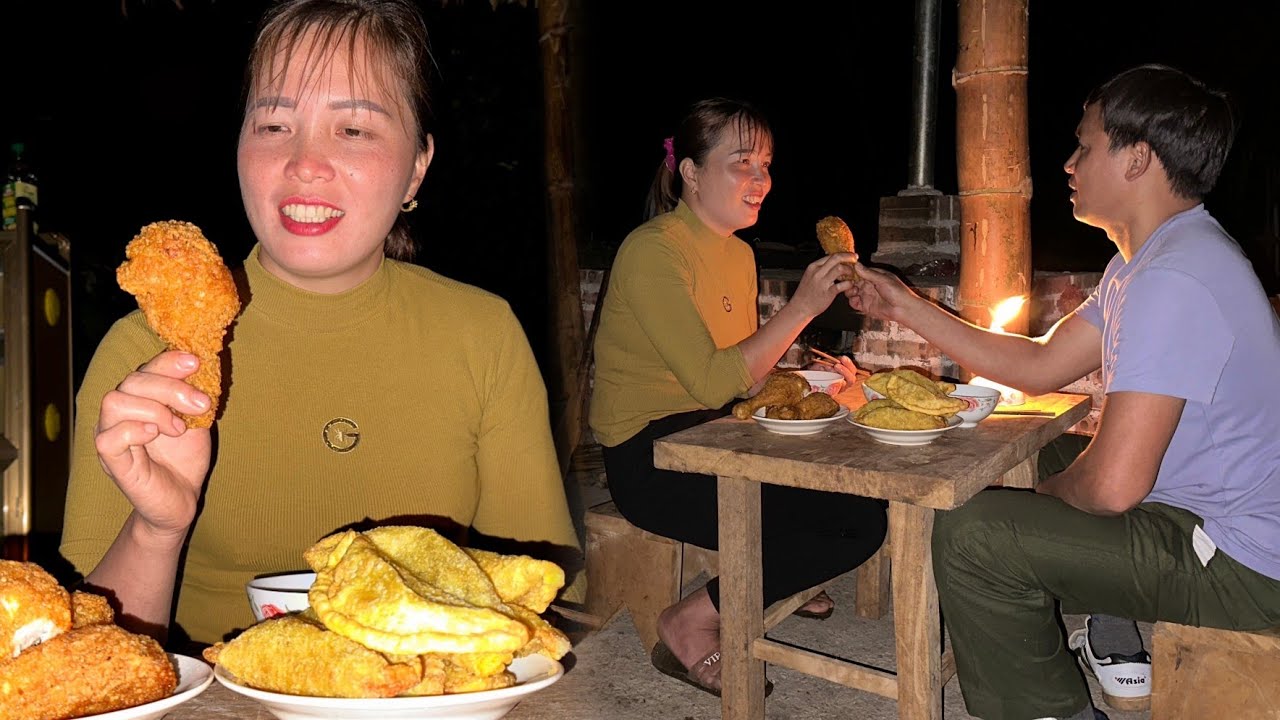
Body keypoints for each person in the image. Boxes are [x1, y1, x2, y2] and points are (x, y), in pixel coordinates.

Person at [60, 0, 580, 648]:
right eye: (275, 125)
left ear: (417, 166)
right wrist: (156, 528)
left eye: (354, 130)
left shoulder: (483, 335)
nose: (305, 162)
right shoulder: (148, 361)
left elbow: (542, 599)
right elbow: (86, 664)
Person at [846, 64, 1280, 720]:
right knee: (998, 453)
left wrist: (1032, 504)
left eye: (1086, 145)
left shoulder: (1177, 279)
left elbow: (1111, 489)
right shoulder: (1145, 262)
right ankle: (1103, 622)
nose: (1070, 162)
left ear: (1137, 159)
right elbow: (1041, 365)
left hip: (1240, 566)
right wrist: (904, 306)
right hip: (1191, 510)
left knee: (974, 533)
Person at [588, 97, 888, 695]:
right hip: (652, 457)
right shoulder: (653, 250)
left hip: (715, 431)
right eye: (742, 163)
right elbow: (709, 378)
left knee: (853, 469)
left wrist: (821, 378)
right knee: (857, 523)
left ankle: (773, 568)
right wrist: (801, 308)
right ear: (691, 172)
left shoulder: (740, 253)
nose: (761, 180)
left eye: (767, 165)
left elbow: (742, 377)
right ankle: (690, 621)